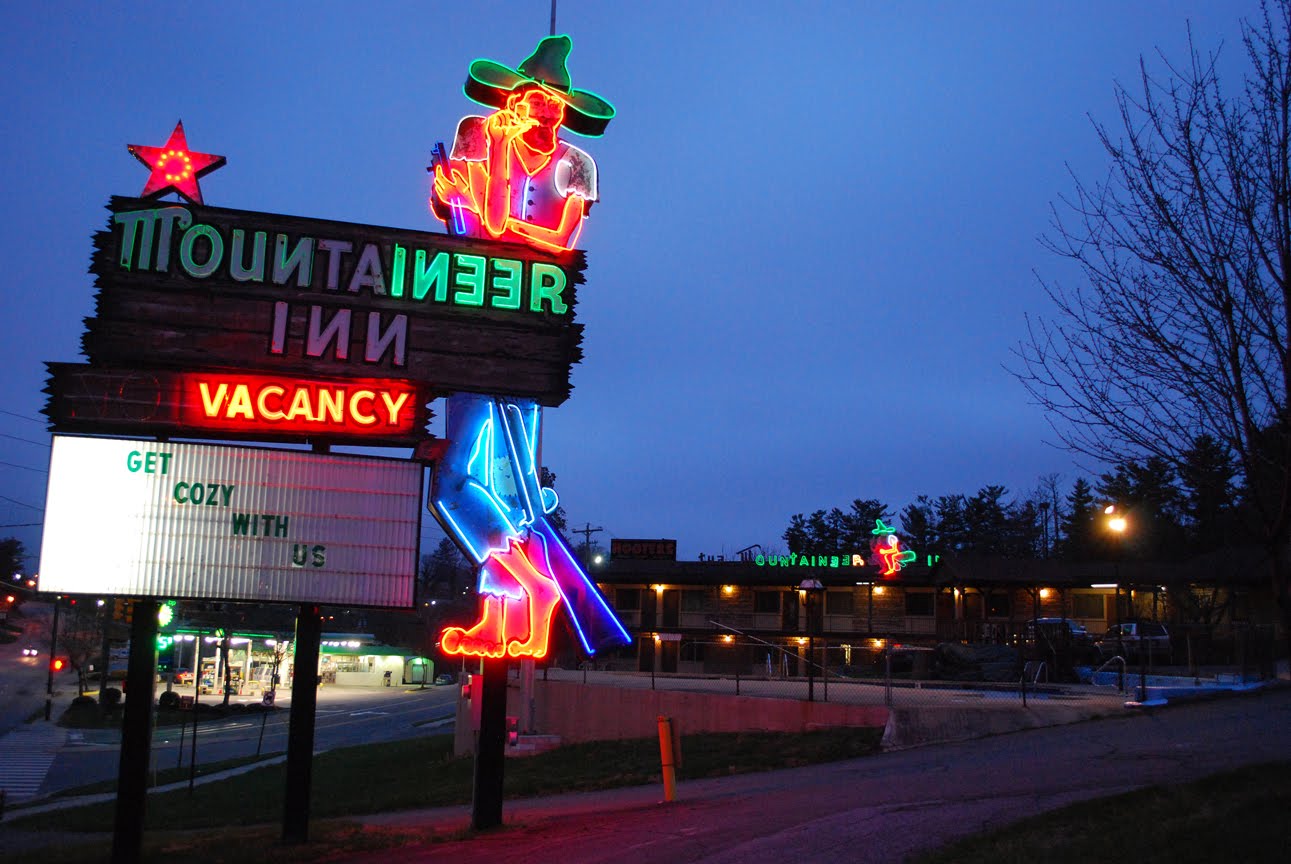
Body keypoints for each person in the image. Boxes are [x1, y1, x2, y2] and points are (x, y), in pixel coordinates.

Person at [431, 34, 614, 253]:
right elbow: (494, 226)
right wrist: (500, 145)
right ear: (514, 105)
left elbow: (558, 242)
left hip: (542, 275)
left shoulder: (579, 163)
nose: (547, 114)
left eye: (555, 105)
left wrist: (469, 202)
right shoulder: (478, 133)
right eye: (536, 102)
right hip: (479, 264)